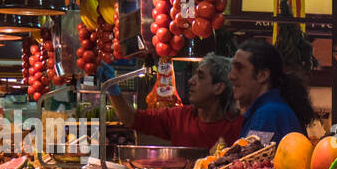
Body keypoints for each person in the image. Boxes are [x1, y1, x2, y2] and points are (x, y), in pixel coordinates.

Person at [107, 54, 241, 150]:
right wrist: (112, 88)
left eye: (200, 77)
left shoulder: (240, 125)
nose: (191, 81)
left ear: (218, 87)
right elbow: (131, 118)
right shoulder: (179, 117)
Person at [229, 39, 314, 144]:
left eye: (239, 68)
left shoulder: (267, 115)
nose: (231, 76)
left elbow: (251, 158)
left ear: (262, 75)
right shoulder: (272, 110)